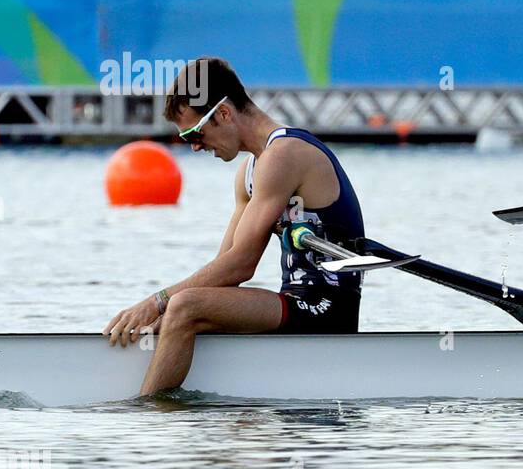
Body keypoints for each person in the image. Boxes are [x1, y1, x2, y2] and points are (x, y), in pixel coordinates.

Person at [103, 57, 365, 395]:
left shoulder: (286, 155)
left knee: (185, 306)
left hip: (327, 311)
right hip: (291, 302)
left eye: (195, 133)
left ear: (224, 113)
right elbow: (225, 268)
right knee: (187, 307)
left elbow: (242, 265)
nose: (195, 146)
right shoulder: (248, 175)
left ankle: (149, 414)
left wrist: (159, 302)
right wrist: (163, 322)